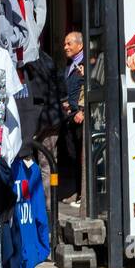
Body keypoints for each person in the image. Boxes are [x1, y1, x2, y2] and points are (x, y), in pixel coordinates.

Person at [60, 30, 85, 207]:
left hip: (80, 117)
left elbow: (90, 85)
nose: (65, 47)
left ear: (80, 45)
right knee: (72, 155)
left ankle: (84, 195)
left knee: (82, 156)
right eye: (65, 44)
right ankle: (77, 192)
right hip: (69, 116)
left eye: (69, 43)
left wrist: (82, 110)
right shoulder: (69, 65)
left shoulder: (87, 63)